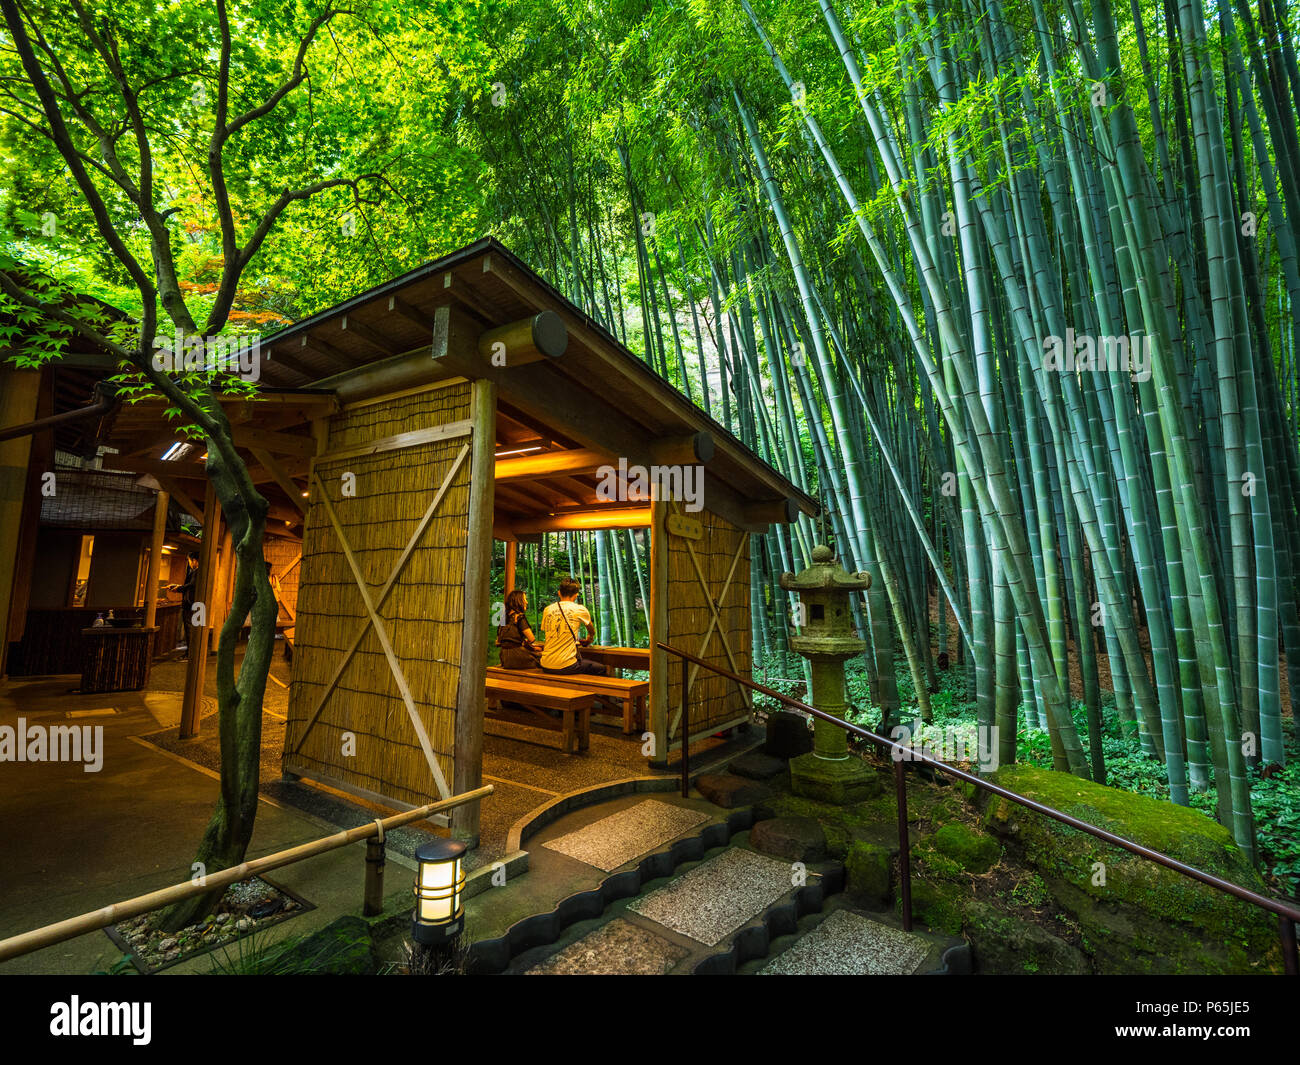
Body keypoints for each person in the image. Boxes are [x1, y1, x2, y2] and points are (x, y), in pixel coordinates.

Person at [539, 577, 608, 676]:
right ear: (576, 595)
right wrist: (589, 638)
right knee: (601, 669)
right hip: (566, 665)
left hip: (545, 664)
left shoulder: (547, 610)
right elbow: (591, 631)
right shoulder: (579, 609)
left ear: (559, 593)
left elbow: (550, 633)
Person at [497, 589, 542, 670]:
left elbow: (497, 642)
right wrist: (529, 646)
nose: (526, 602)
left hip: (505, 658)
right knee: (542, 658)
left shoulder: (504, 618)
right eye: (525, 599)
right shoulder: (519, 617)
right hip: (517, 656)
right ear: (518, 601)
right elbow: (531, 639)